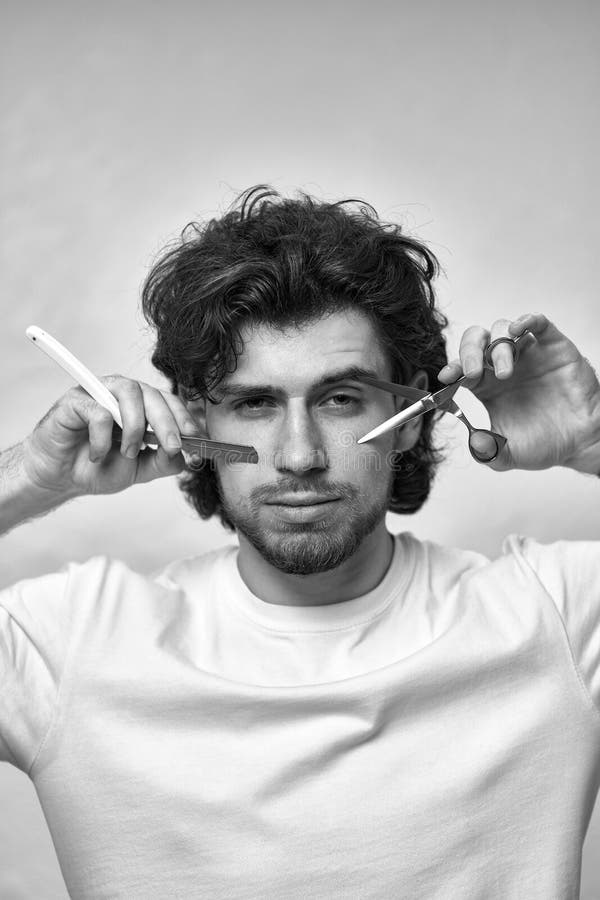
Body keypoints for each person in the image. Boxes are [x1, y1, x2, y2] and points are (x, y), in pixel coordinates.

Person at [1, 185, 599, 899]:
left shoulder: (557, 618)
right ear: (197, 422)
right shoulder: (73, 642)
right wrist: (29, 477)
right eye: (254, 403)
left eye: (340, 399)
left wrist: (593, 438)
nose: (299, 456)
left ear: (412, 415)